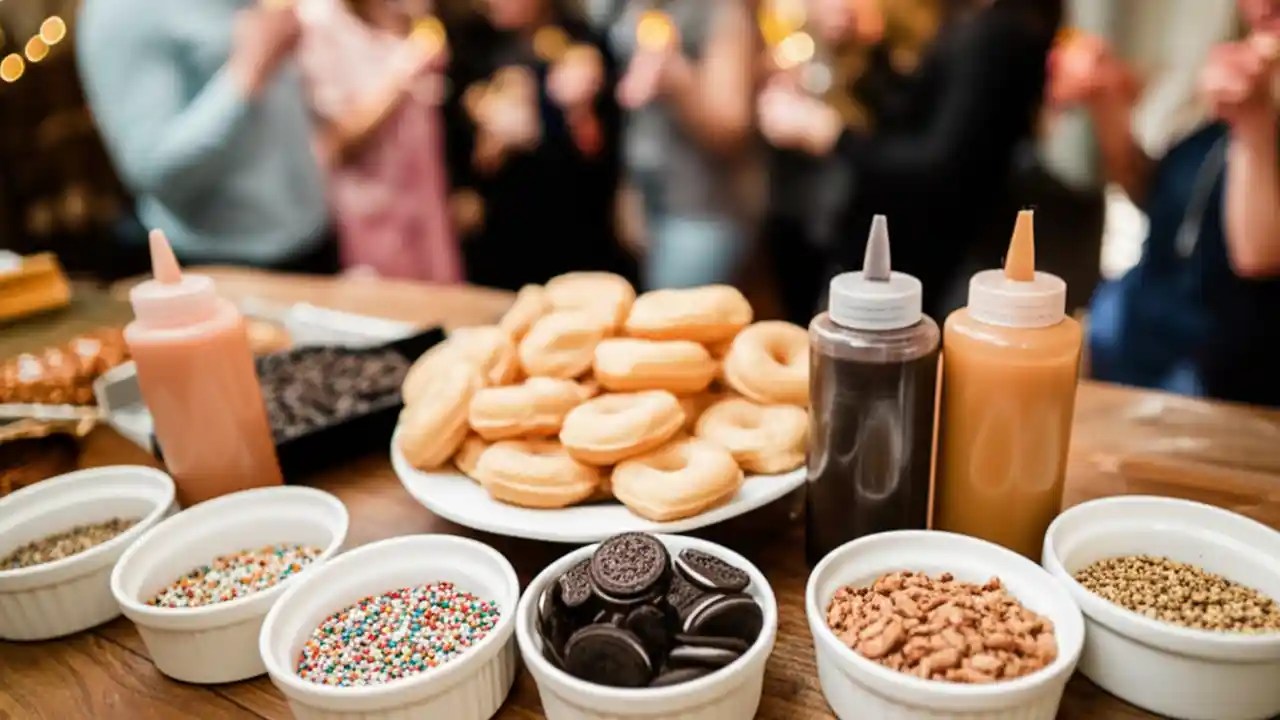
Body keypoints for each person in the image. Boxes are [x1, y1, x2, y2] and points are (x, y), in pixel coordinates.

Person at [758, 0, 1060, 319]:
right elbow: (914, 117)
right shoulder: (975, 20)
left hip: (940, 259)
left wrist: (829, 134)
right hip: (924, 247)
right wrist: (870, 49)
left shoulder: (999, 34)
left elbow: (939, 166)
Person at [1053, 0, 1280, 405]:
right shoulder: (1219, 79)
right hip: (1129, 333)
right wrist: (1107, 103)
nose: (1263, 6)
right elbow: (1150, 191)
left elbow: (1258, 256)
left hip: (1212, 384)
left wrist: (1253, 123)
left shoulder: (1252, 101)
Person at [77, 0, 332, 270]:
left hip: (314, 239)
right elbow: (155, 169)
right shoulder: (121, 11)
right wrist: (248, 72)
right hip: (223, 265)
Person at [446, 0, 635, 290]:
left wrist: (579, 112)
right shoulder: (471, 45)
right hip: (495, 240)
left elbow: (603, 155)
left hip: (571, 231)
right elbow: (454, 145)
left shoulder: (582, 45)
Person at [296, 0, 463, 282]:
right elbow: (335, 145)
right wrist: (404, 71)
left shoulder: (406, 11)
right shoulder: (318, 22)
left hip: (426, 211)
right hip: (367, 224)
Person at [598, 0, 760, 289]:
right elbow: (636, 116)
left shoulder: (720, 11)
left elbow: (730, 127)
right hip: (650, 197)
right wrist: (630, 190)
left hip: (703, 207)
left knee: (670, 320)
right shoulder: (631, 6)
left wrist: (677, 78)